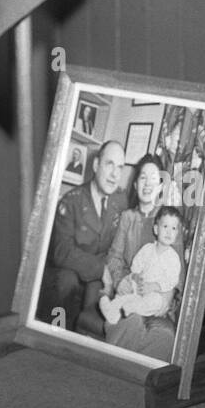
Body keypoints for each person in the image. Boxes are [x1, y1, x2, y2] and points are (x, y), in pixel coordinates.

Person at [99, 153, 184, 361]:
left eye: (154, 178)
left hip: (157, 298)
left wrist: (166, 295)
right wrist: (121, 282)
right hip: (131, 291)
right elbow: (115, 257)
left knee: (163, 339)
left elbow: (178, 273)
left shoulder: (169, 222)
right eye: (143, 178)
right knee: (131, 322)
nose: (148, 184)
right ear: (136, 184)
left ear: (161, 186)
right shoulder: (128, 218)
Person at [47, 140, 126, 333]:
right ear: (96, 165)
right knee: (66, 281)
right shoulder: (71, 201)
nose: (115, 174)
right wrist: (101, 269)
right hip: (71, 273)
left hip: (98, 278)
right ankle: (56, 332)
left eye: (120, 167)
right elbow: (61, 252)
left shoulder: (120, 201)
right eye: (110, 164)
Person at [98, 205, 182, 324]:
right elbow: (136, 265)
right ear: (156, 229)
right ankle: (112, 310)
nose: (169, 232)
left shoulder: (173, 258)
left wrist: (155, 286)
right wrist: (135, 276)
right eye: (165, 226)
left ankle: (131, 308)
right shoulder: (147, 249)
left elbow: (172, 280)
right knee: (127, 290)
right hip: (139, 288)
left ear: (177, 233)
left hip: (155, 292)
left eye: (173, 228)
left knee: (156, 301)